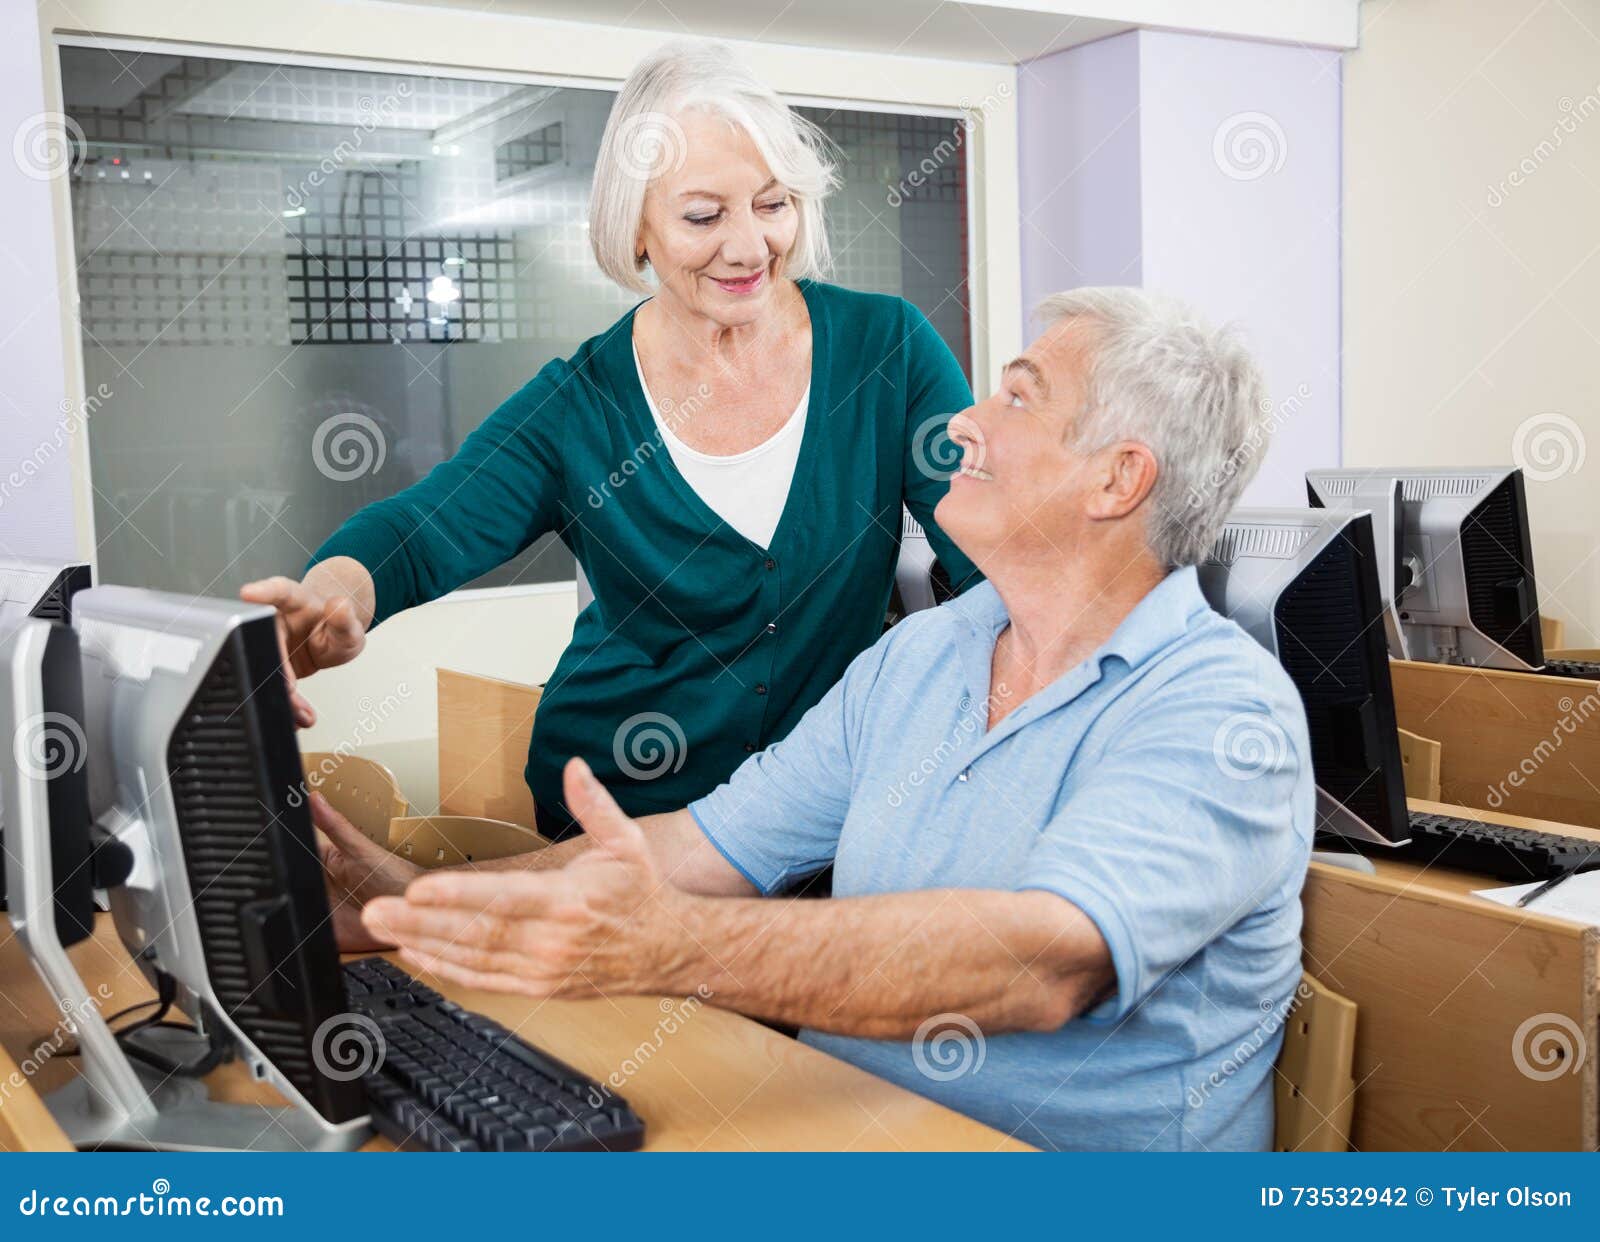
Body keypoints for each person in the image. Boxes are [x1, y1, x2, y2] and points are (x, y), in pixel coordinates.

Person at [321, 286, 1314, 1152]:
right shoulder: (921, 655)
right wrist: (406, 901)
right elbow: (701, 847)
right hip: (844, 1143)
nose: (963, 423)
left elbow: (1040, 965)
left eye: (1015, 398)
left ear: (1117, 478)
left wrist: (671, 948)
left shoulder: (1220, 711)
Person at [242, 39, 978, 839]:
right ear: (636, 231)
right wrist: (333, 598)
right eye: (703, 215)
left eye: (773, 204)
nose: (748, 246)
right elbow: (424, 530)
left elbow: (993, 545)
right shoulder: (581, 406)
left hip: (819, 812)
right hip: (618, 811)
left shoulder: (887, 352)